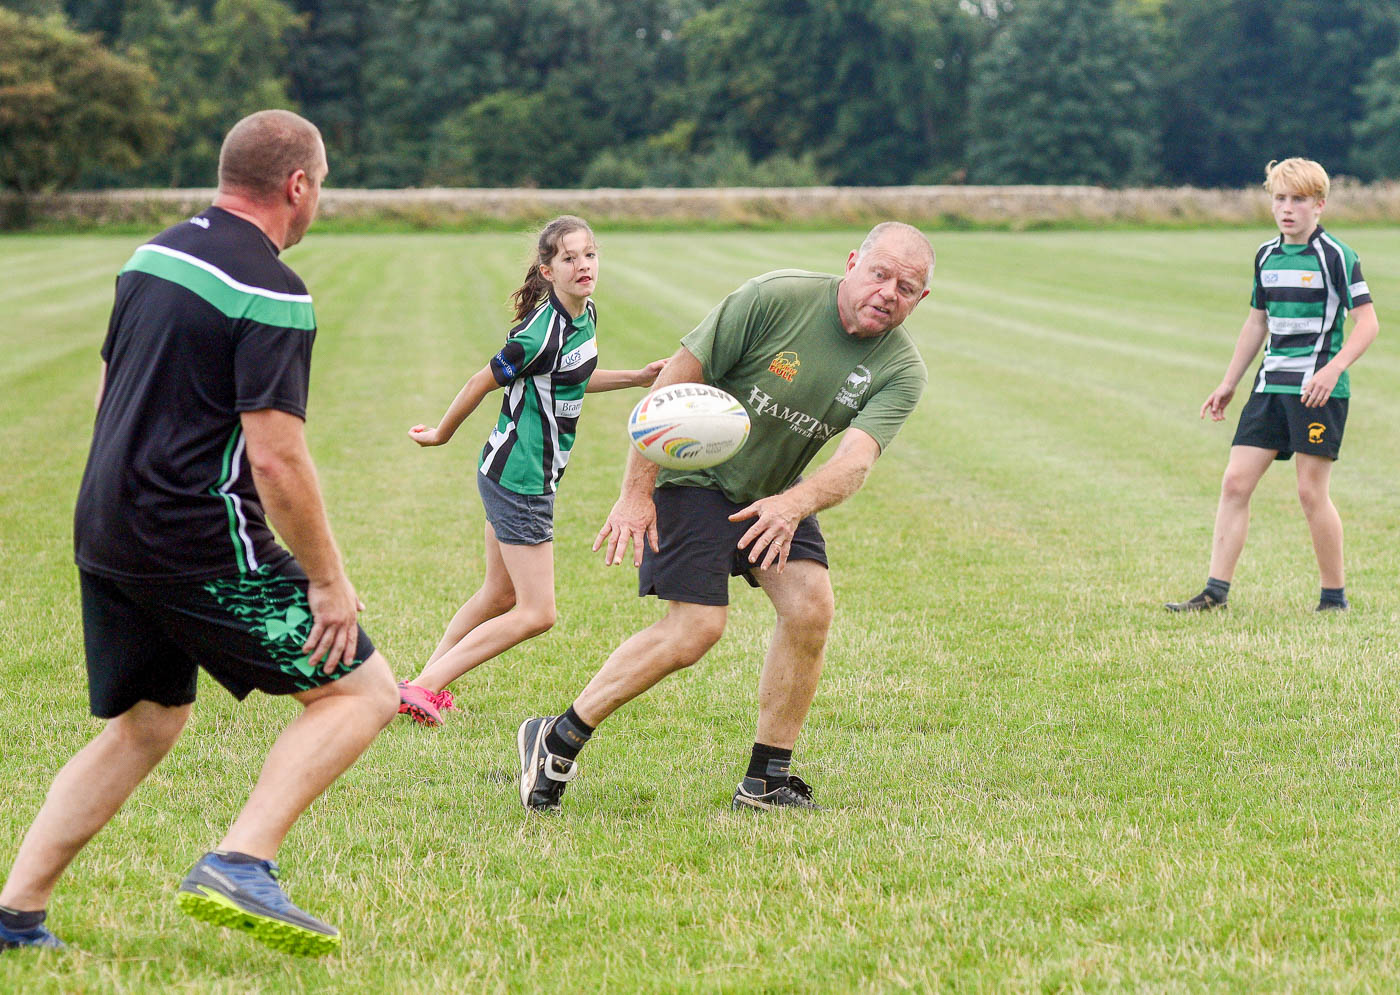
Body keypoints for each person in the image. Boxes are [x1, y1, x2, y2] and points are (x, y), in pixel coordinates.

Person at [0, 110, 399, 957]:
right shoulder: (272, 289)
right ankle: (241, 860)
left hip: (107, 520)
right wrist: (327, 580)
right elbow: (278, 460)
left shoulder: (152, 256)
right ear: (297, 184)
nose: (319, 199)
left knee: (148, 719)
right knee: (361, 691)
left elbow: (109, 388)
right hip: (192, 535)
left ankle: (14, 914)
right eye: (322, 184)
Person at [515, 221, 932, 813]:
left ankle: (766, 780)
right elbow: (674, 380)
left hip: (773, 492)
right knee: (696, 629)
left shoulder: (901, 369)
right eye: (879, 274)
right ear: (852, 263)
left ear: (920, 298)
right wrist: (636, 492)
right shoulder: (773, 298)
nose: (887, 292)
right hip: (694, 474)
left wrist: (793, 503)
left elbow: (855, 460)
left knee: (809, 607)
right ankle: (556, 738)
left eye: (905, 288)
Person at [396, 216, 664, 725]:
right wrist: (441, 434)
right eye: (569, 258)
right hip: (520, 479)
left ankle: (421, 685)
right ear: (548, 270)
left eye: (590, 255)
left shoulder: (584, 314)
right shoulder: (539, 334)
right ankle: (426, 687)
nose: (583, 266)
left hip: (515, 473)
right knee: (538, 612)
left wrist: (636, 377)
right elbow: (479, 382)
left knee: (498, 595)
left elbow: (571, 376)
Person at [1166, 158, 1379, 614]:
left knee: (1310, 493)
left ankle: (1333, 598)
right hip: (1269, 388)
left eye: (1298, 200)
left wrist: (1333, 369)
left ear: (1319, 205)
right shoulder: (1265, 255)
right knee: (1235, 482)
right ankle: (1215, 593)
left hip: (1317, 392)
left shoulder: (1336, 256)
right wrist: (1229, 382)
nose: (1287, 209)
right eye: (1279, 199)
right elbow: (1256, 322)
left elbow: (1367, 323)